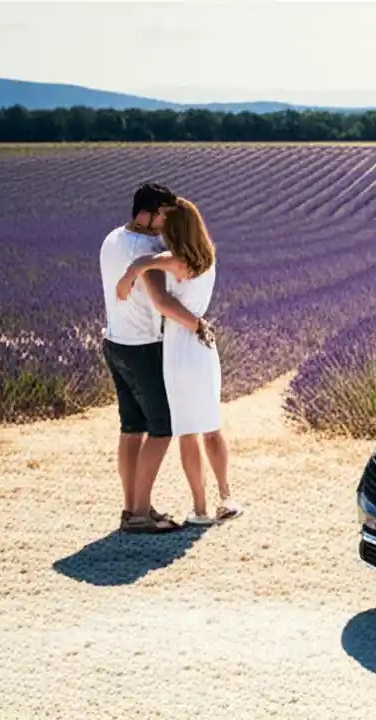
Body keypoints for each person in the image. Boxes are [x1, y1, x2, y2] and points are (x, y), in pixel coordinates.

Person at [117, 198, 241, 526]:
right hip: (203, 346)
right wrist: (200, 323)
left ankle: (200, 510)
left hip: (180, 344)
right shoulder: (208, 257)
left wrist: (130, 274)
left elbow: (146, 264)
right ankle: (226, 497)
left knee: (187, 431)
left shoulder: (175, 260)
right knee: (212, 427)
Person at [100, 182, 204, 533]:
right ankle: (142, 514)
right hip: (144, 345)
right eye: (162, 214)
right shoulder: (149, 247)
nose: (165, 222)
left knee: (131, 429)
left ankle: (131, 508)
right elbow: (161, 302)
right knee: (161, 428)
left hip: (114, 341)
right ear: (145, 213)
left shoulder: (111, 238)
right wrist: (197, 324)